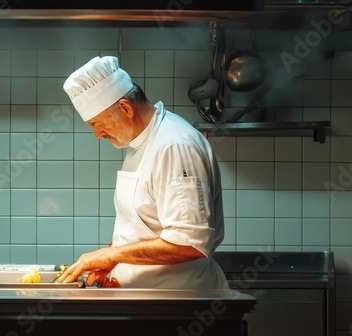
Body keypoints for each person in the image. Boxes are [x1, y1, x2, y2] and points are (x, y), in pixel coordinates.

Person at [55, 56, 229, 290]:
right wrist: (113, 264)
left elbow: (190, 243)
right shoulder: (143, 143)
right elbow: (138, 225)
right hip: (146, 299)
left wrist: (112, 256)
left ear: (125, 108)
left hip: (179, 302)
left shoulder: (174, 145)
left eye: (98, 124)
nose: (98, 135)